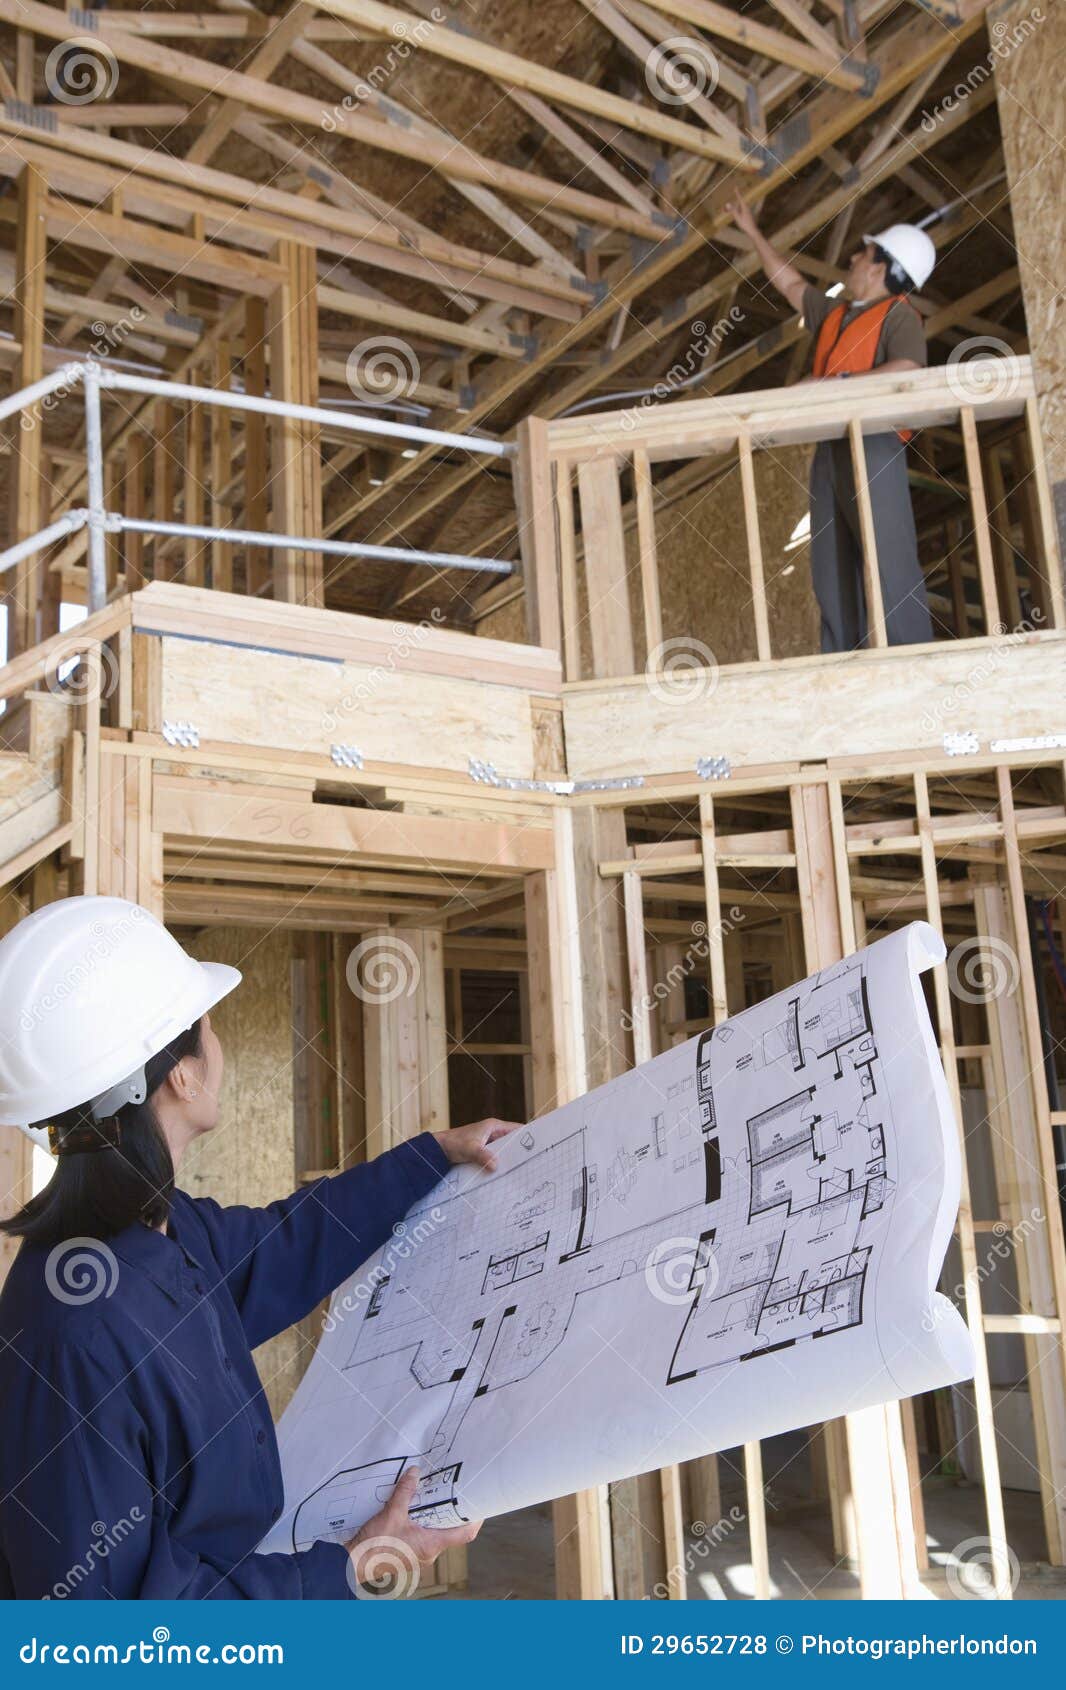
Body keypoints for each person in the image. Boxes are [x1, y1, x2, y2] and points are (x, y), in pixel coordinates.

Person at [0, 894, 521, 1600]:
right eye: (208, 1026)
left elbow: (282, 1246)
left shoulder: (155, 1229)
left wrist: (428, 1158)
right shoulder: (78, 1339)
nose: (219, 1045)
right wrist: (350, 1570)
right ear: (183, 1075)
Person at [727, 197, 937, 652]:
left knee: (886, 555)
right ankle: (842, 658)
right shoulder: (836, 315)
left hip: (875, 442)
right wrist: (752, 231)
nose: (853, 258)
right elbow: (791, 283)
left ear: (880, 269)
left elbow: (907, 369)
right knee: (831, 562)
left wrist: (832, 384)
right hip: (831, 445)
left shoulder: (899, 315)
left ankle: (910, 654)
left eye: (862, 254)